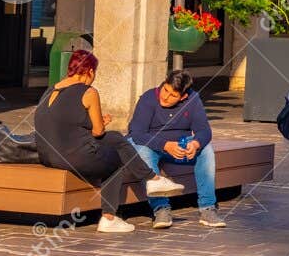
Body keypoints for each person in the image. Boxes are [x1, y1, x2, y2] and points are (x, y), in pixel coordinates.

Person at [34, 50, 181, 233]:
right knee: (117, 157)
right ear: (90, 72)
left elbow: (64, 125)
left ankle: (153, 179)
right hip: (73, 156)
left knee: (114, 139)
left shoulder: (50, 90)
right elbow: (97, 132)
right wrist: (100, 124)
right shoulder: (88, 91)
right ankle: (111, 215)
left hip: (49, 157)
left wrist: (94, 125)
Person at [128, 69, 223, 229]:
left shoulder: (192, 99)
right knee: (142, 151)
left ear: (183, 97)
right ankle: (161, 209)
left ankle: (208, 208)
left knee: (206, 149)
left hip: (179, 145)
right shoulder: (149, 98)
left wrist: (195, 144)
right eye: (165, 90)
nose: (165, 96)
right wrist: (165, 145)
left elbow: (204, 131)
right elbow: (137, 134)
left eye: (173, 95)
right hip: (151, 144)